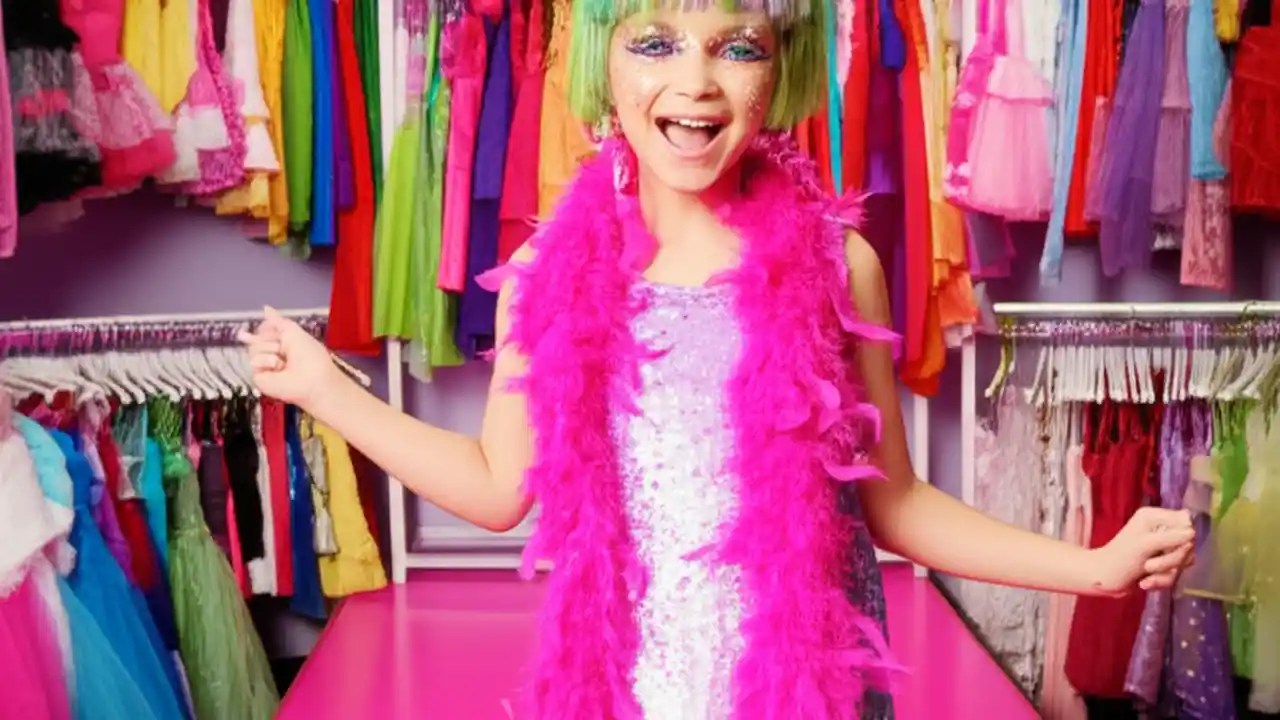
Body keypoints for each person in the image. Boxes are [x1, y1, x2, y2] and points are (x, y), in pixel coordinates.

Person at [238, 3, 1196, 718]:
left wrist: (1090, 569)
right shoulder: (548, 276)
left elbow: (895, 503)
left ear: (780, 68)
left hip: (809, 693)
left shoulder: (838, 266)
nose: (695, 82)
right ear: (602, 58)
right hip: (638, 691)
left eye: (737, 47)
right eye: (656, 43)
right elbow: (497, 486)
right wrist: (324, 388)